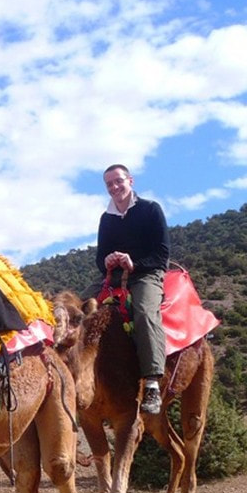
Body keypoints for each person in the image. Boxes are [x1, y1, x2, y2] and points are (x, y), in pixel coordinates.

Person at [88, 164, 170, 415]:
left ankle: (153, 383)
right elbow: (100, 257)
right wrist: (108, 260)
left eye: (118, 181)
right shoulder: (107, 218)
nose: (114, 187)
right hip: (116, 277)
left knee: (144, 313)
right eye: (109, 184)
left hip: (147, 274)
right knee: (81, 308)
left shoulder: (151, 209)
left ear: (130, 181)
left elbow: (162, 253)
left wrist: (135, 263)